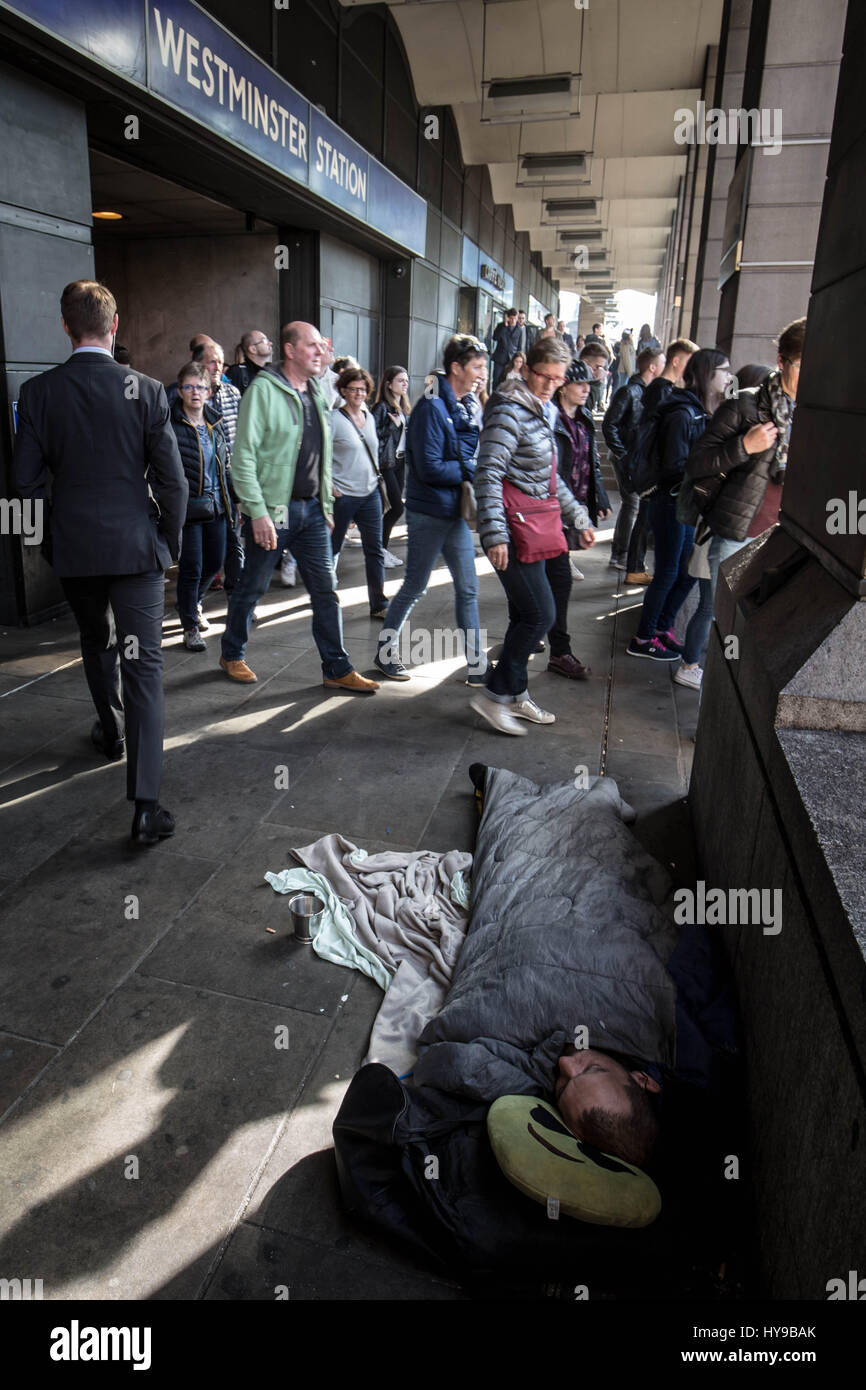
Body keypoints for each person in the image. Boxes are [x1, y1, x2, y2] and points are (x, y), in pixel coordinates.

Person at [12, 279, 187, 844]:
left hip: (76, 550)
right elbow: (174, 482)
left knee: (96, 642)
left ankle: (109, 732)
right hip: (136, 550)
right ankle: (145, 805)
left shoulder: (38, 393)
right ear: (116, 325)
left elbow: (21, 486)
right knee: (144, 669)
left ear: (65, 327)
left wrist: (44, 546)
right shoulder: (148, 390)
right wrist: (169, 543)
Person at [218, 321, 378, 693]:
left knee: (326, 590)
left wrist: (324, 504)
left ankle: (337, 668)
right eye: (312, 346)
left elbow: (320, 456)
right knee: (252, 587)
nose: (321, 352)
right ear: (290, 350)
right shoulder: (263, 391)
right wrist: (257, 512)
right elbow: (242, 457)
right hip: (274, 510)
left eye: (322, 346)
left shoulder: (315, 393)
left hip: (310, 512)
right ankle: (231, 652)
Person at [471, 338, 596, 734]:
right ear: (526, 369)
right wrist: (494, 535)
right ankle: (495, 695)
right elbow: (487, 473)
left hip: (536, 524)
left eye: (558, 380)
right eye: (545, 376)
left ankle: (516, 693)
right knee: (541, 613)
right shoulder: (509, 409)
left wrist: (578, 515)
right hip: (511, 529)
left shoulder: (543, 409)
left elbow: (548, 474)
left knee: (529, 612)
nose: (550, 385)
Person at [674, 320, 805, 690]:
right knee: (725, 630)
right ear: (782, 361)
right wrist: (744, 447)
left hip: (786, 540)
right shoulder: (745, 404)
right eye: (801, 363)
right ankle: (713, 728)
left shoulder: (815, 415)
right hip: (738, 534)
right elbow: (697, 464)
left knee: (758, 635)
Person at [374, 335, 489, 685]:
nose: (483, 374)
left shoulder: (461, 404)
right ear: (456, 368)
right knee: (415, 586)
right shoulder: (430, 407)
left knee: (468, 588)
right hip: (429, 513)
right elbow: (429, 468)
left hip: (451, 510)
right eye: (477, 367)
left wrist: (469, 461)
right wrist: (471, 467)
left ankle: (477, 666)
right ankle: (384, 653)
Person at [627, 348, 732, 661]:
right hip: (670, 500)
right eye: (725, 370)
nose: (729, 376)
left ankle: (660, 628)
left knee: (685, 572)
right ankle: (643, 637)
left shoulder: (698, 409)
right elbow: (675, 464)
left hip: (683, 502)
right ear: (708, 374)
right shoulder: (682, 412)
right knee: (669, 572)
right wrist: (710, 466)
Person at [170, 360, 232, 652]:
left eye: (201, 387)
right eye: (189, 386)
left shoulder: (216, 421)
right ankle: (190, 627)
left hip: (217, 506)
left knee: (215, 563)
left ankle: (194, 601)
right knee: (191, 568)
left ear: (209, 391)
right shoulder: (170, 424)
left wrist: (236, 501)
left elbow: (226, 465)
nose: (196, 392)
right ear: (180, 390)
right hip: (188, 509)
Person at [329, 367, 389, 620]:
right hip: (344, 496)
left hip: (370, 493)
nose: (358, 394)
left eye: (362, 389)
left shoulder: (369, 416)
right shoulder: (333, 419)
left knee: (374, 549)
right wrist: (329, 485)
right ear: (343, 390)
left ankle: (378, 602)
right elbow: (320, 454)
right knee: (332, 548)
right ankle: (325, 596)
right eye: (353, 389)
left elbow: (373, 453)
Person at [603, 344, 666, 575]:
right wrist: (623, 455)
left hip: (634, 459)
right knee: (632, 504)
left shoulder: (649, 392)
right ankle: (619, 554)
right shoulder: (629, 391)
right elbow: (610, 425)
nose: (665, 366)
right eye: (662, 362)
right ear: (652, 367)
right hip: (626, 458)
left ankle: (621, 553)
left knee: (633, 505)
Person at [371, 365, 411, 568]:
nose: (405, 384)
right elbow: (373, 437)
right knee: (396, 507)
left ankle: (381, 550)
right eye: (400, 380)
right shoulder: (381, 408)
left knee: (395, 507)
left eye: (406, 380)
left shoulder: (401, 407)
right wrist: (390, 427)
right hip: (386, 463)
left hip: (399, 462)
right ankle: (379, 550)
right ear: (389, 384)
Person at [226, 329, 272, 395]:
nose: (270, 343)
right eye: (264, 341)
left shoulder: (272, 371)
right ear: (253, 349)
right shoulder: (237, 372)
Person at [490, 308, 523, 387]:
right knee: (496, 379)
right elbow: (495, 338)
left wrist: (518, 359)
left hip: (511, 359)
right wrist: (504, 326)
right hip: (500, 357)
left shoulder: (519, 329)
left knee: (507, 380)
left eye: (515, 318)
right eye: (511, 318)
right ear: (508, 318)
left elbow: (519, 345)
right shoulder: (501, 326)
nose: (513, 321)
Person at [580, 338, 611, 414]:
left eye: (602, 368)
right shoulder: (575, 381)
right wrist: (596, 381)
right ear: (585, 362)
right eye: (597, 367)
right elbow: (586, 407)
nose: (600, 371)